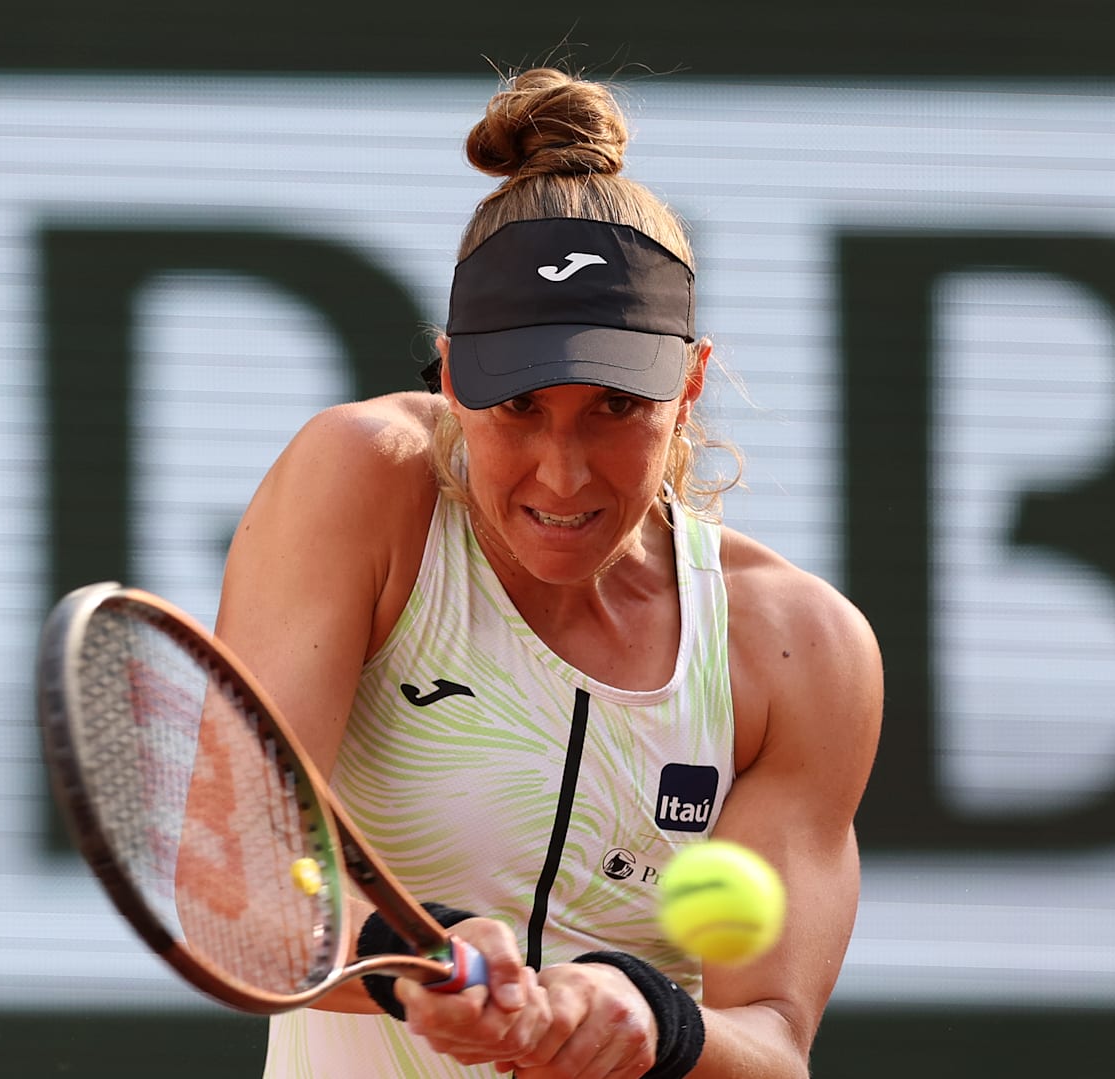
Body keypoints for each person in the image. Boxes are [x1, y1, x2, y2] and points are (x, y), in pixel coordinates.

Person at [211, 67, 882, 1079]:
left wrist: (657, 1019)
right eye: (518, 407)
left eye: (615, 408)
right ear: (449, 374)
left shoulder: (802, 648)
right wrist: (421, 961)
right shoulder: (360, 481)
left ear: (689, 383)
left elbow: (776, 1041)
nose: (562, 473)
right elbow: (234, 880)